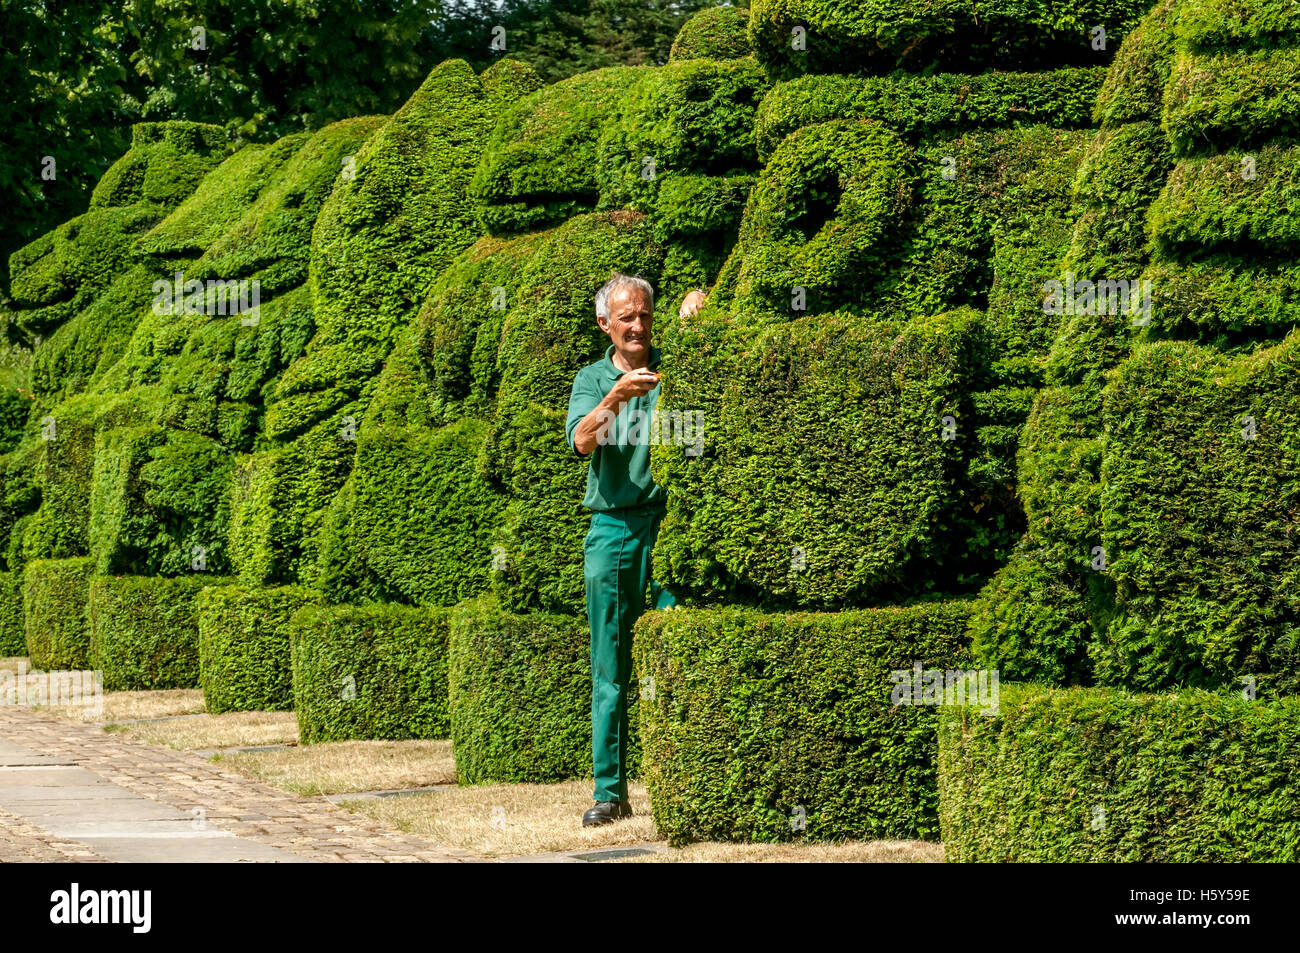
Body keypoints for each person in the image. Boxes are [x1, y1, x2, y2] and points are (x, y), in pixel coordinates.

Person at [564, 273, 707, 827]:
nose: (637, 325)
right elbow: (582, 441)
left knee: (677, 652)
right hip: (613, 529)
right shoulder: (592, 378)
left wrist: (702, 316)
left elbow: (721, 363)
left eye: (645, 314)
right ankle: (609, 791)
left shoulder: (679, 368)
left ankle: (687, 781)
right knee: (610, 664)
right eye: (626, 317)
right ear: (606, 324)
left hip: (672, 526)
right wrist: (616, 397)